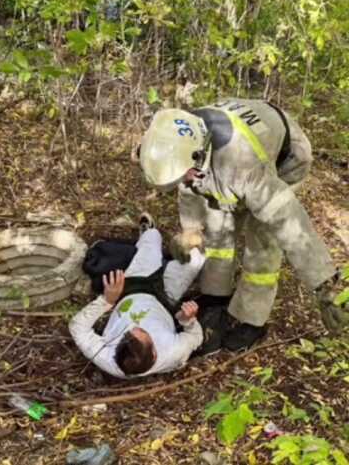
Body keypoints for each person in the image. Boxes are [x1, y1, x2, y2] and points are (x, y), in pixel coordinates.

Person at [138, 98, 345, 351]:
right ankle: (216, 297)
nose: (184, 180)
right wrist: (191, 229)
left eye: (185, 174)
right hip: (233, 156)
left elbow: (291, 223)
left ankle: (252, 320)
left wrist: (324, 285)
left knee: (263, 243)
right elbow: (189, 188)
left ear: (199, 156)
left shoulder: (244, 166)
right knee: (217, 227)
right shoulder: (180, 141)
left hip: (286, 159)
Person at [69, 214, 206, 378]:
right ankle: (162, 253)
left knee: (153, 237)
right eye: (142, 332)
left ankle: (149, 245)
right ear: (155, 353)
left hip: (130, 289)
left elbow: (77, 327)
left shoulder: (106, 357)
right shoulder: (173, 353)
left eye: (128, 333)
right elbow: (196, 337)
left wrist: (107, 300)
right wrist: (187, 320)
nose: (134, 326)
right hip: (165, 299)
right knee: (196, 259)